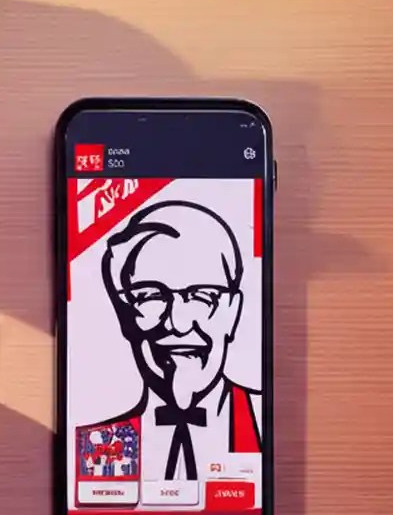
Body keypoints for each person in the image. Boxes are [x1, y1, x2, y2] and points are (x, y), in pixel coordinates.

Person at [78, 201, 263, 490]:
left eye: (203, 296)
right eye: (150, 295)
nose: (178, 323)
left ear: (232, 312)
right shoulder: (98, 446)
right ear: (124, 314)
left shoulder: (265, 422)